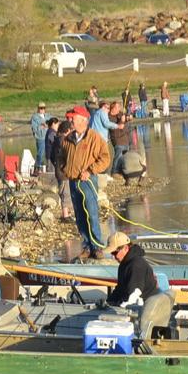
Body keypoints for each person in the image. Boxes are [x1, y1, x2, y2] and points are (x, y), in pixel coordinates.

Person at [58, 106, 111, 259]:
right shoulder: (68, 139)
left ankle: (97, 246)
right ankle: (87, 245)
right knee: (80, 215)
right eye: (70, 118)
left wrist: (90, 170)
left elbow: (105, 158)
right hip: (73, 181)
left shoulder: (94, 137)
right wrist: (65, 169)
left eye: (72, 118)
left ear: (82, 120)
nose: (70, 121)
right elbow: (61, 157)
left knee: (92, 212)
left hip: (88, 180)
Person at [105, 231, 158, 306]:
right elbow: (120, 290)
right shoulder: (124, 264)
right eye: (112, 253)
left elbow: (132, 296)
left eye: (115, 253)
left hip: (145, 309)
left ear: (126, 248)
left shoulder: (136, 265)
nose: (114, 257)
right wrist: (108, 303)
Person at [30, 102, 50, 173]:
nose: (42, 109)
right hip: (40, 137)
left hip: (48, 137)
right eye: (41, 108)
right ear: (38, 108)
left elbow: (52, 124)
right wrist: (41, 126)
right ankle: (37, 168)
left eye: (44, 108)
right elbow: (34, 129)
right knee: (40, 153)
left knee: (49, 153)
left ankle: (48, 167)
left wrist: (48, 125)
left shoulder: (48, 116)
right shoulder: (34, 117)